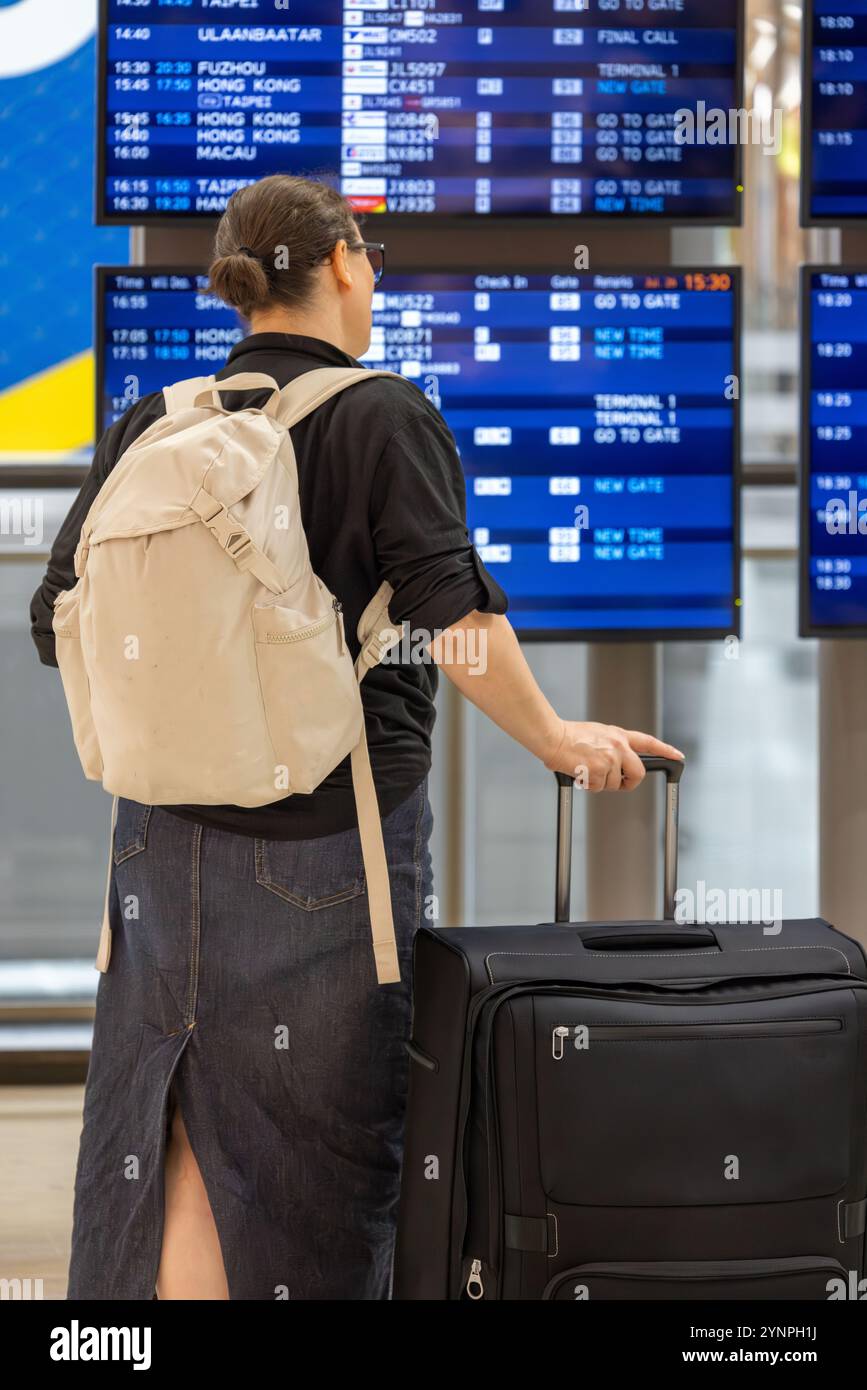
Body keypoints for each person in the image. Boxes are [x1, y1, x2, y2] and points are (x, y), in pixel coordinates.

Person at [30, 174, 683, 1301]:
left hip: (153, 850)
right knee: (314, 1167)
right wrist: (558, 742)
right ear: (340, 263)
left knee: (173, 1137)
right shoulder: (385, 414)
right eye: (367, 258)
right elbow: (457, 623)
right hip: (330, 856)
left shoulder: (161, 417)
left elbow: (55, 620)